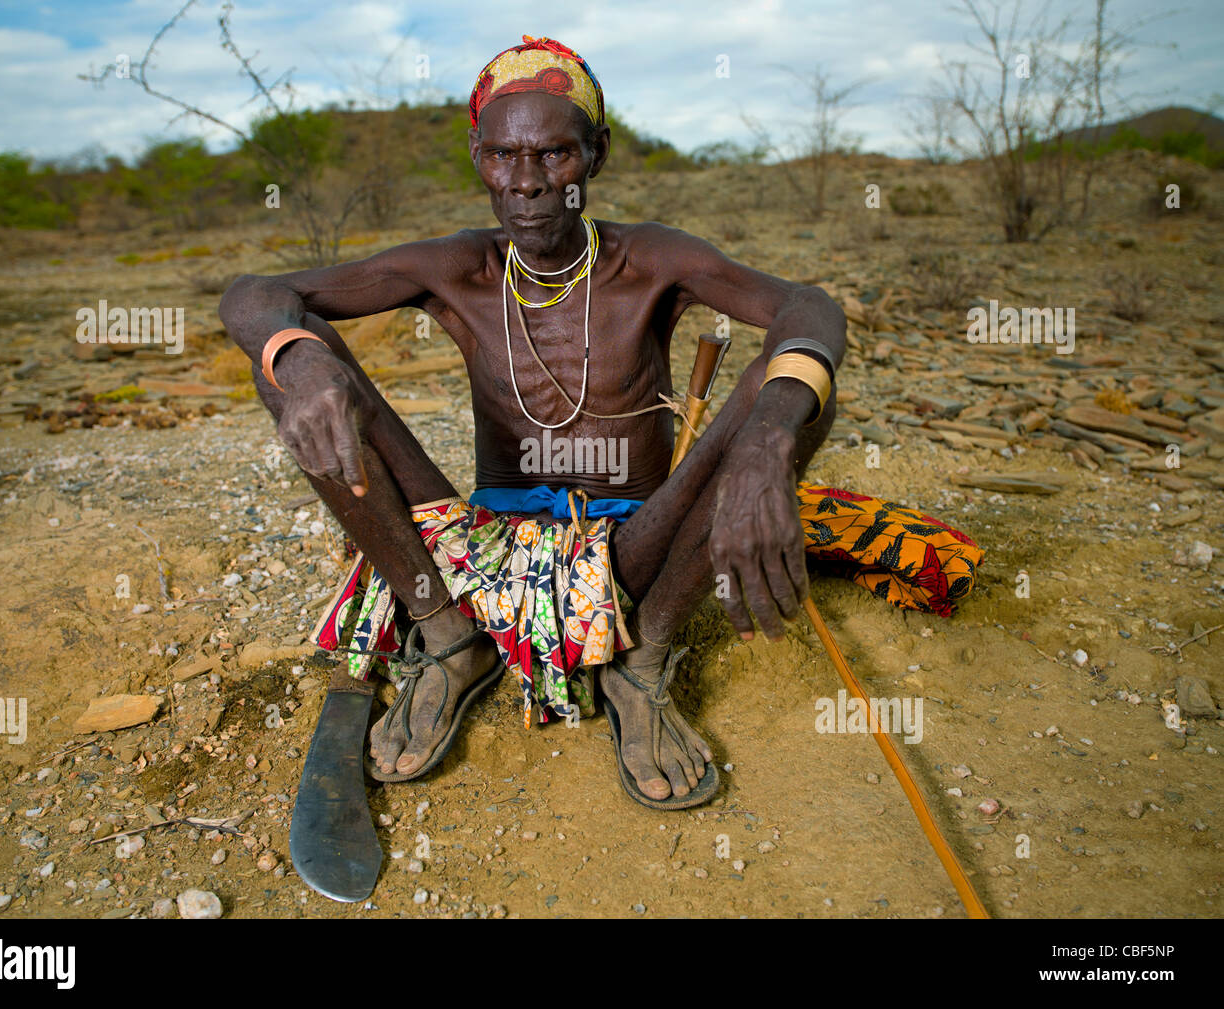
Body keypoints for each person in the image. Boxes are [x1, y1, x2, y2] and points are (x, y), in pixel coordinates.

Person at [220, 36, 981, 810]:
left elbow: (807, 307)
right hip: (481, 558)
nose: (525, 185)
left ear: (597, 153)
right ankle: (449, 642)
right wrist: (304, 360)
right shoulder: (460, 268)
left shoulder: (650, 260)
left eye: (554, 155)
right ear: (478, 157)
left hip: (634, 556)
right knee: (287, 361)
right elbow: (257, 292)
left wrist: (767, 443)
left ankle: (642, 662)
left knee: (783, 391)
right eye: (502, 157)